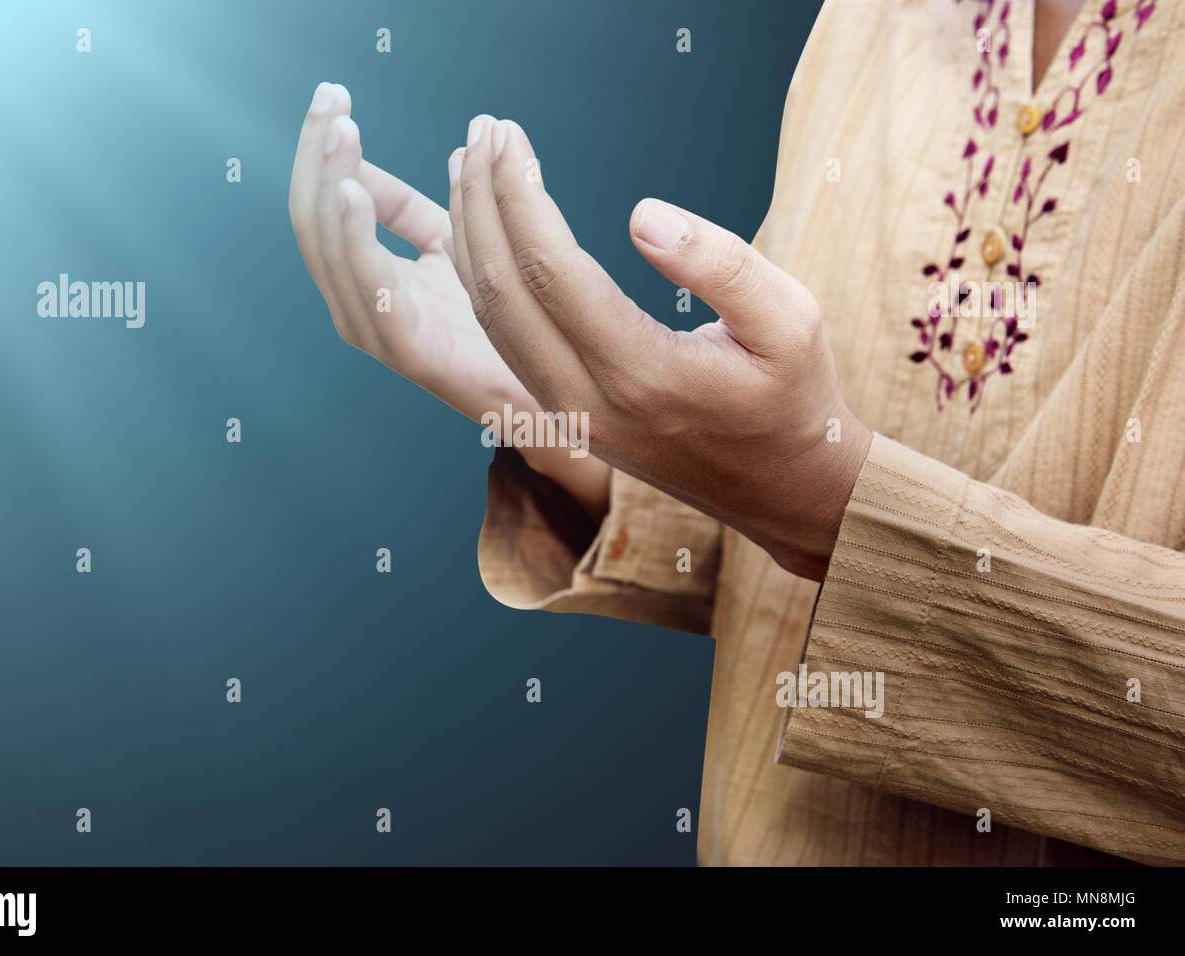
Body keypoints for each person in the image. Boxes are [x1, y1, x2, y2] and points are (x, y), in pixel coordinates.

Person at [289, 0, 1185, 865]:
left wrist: (836, 504)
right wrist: (554, 405)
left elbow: (817, 499)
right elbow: (773, 525)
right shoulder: (867, 20)